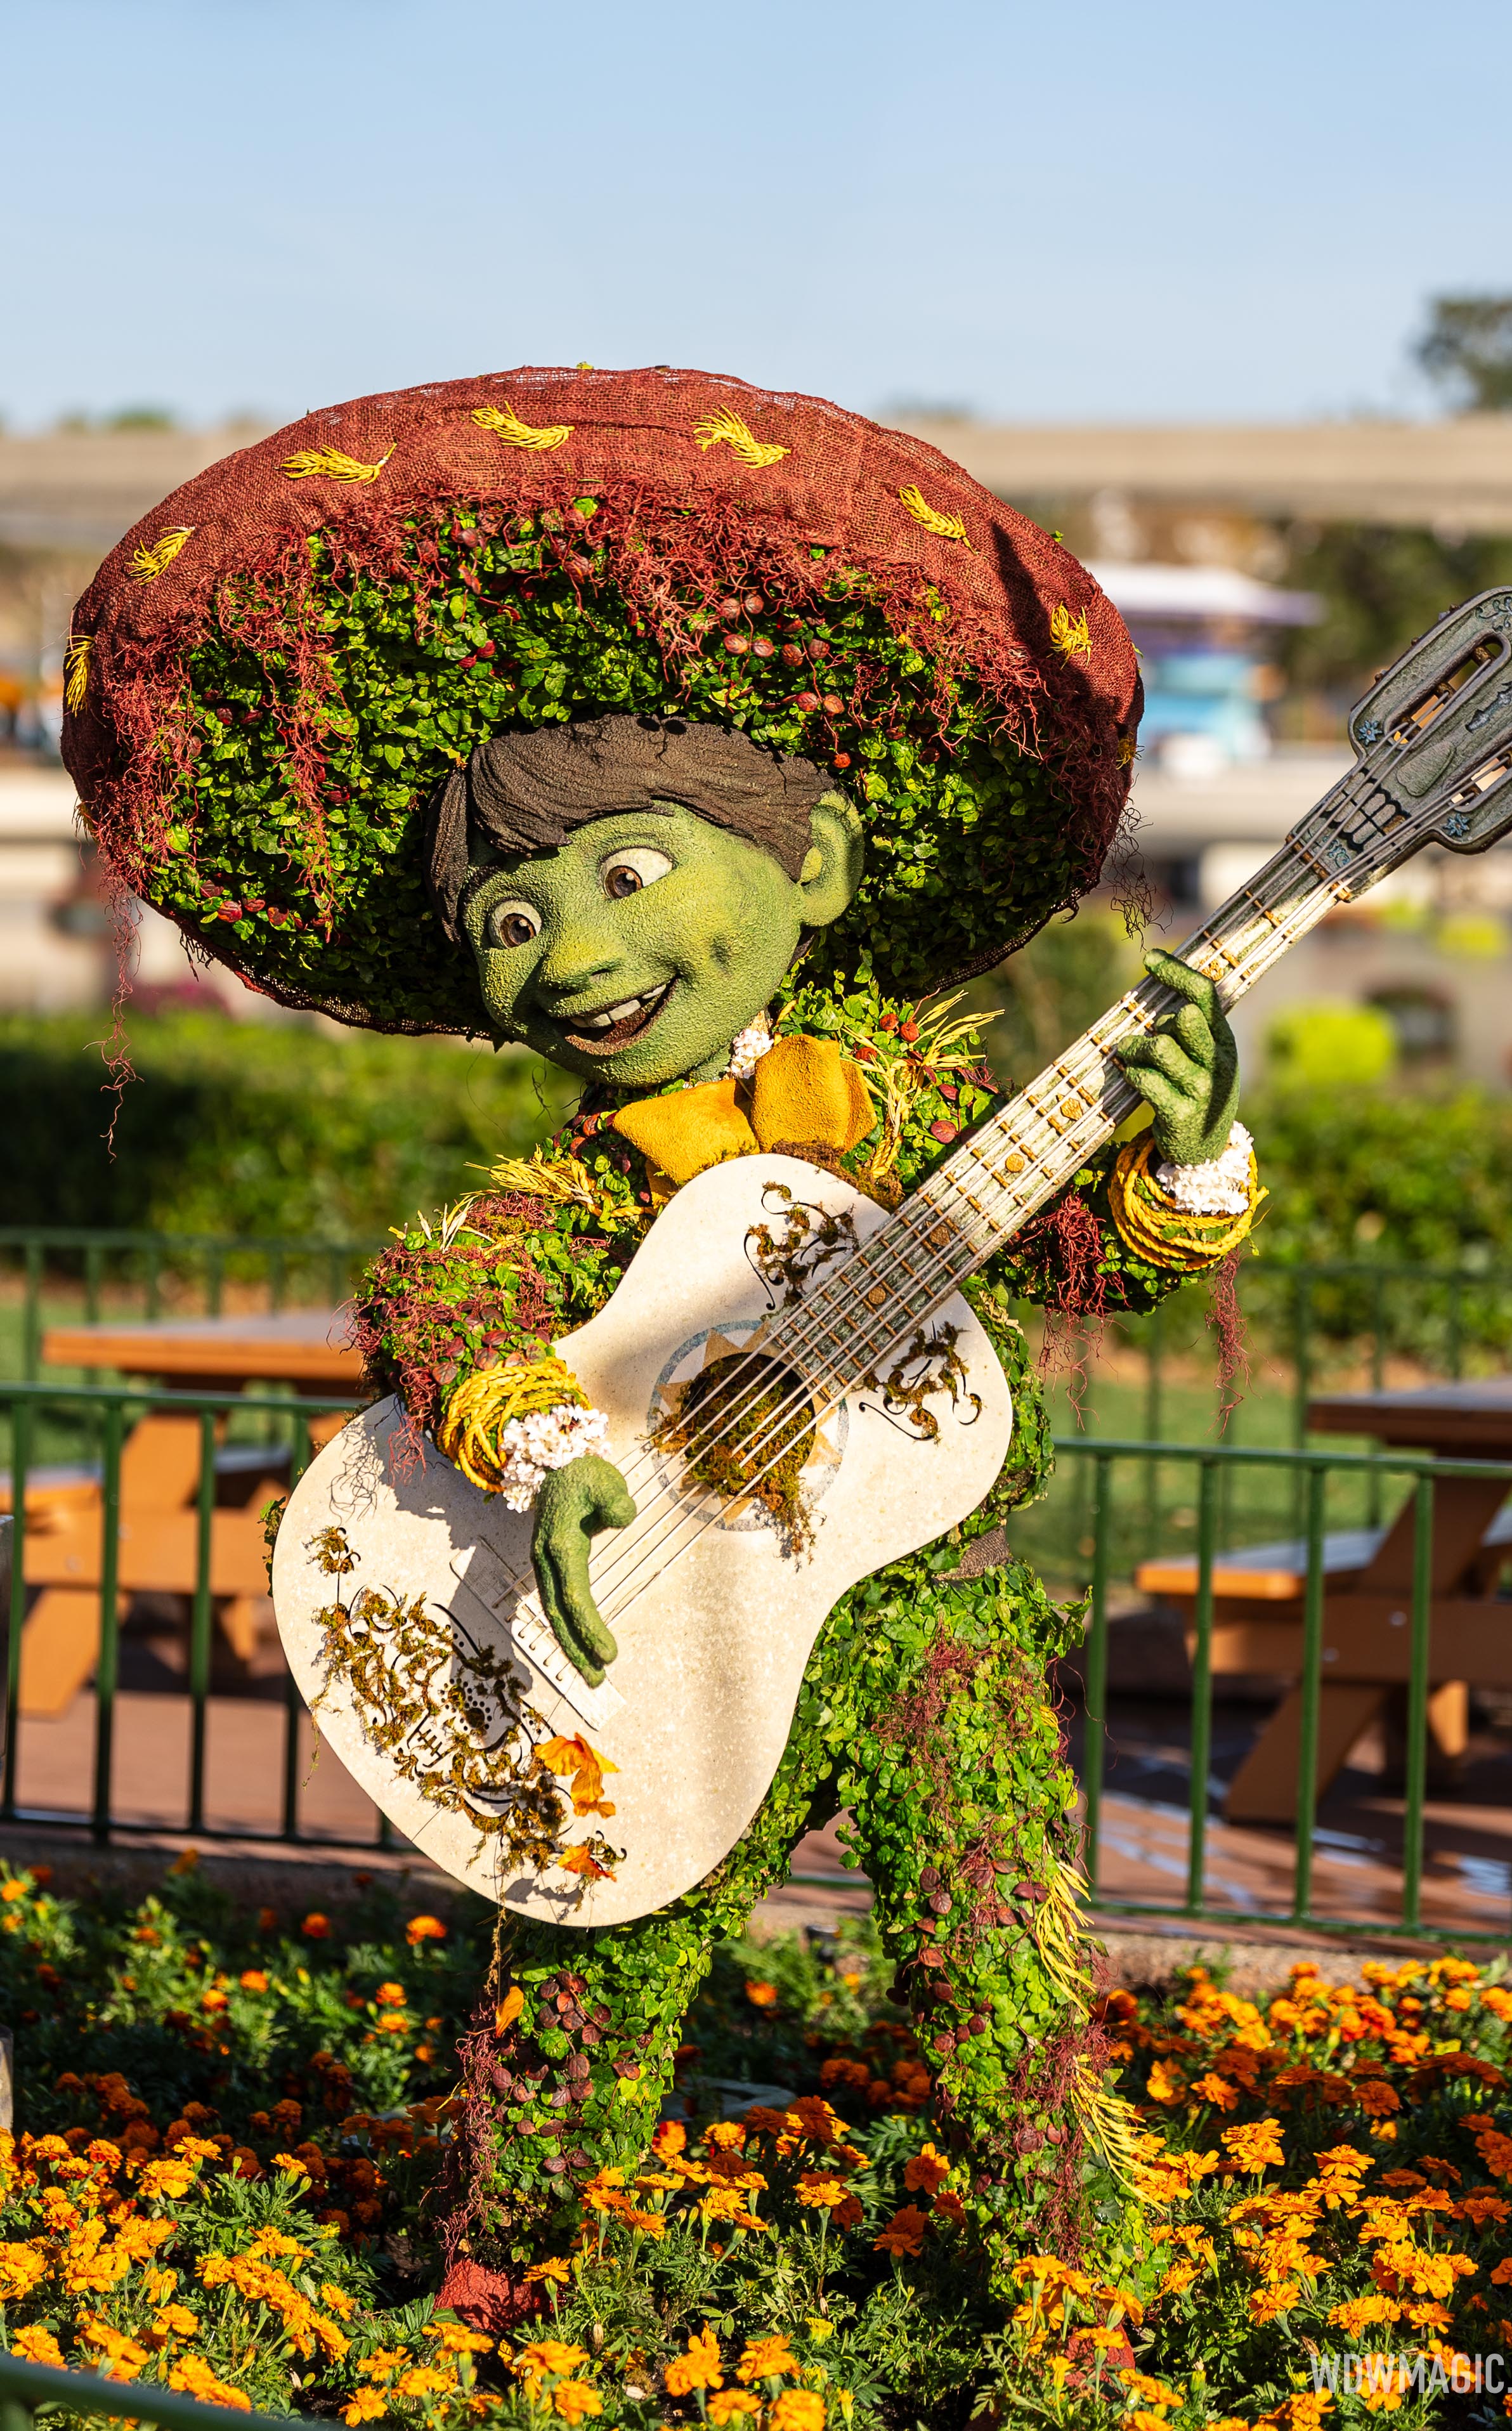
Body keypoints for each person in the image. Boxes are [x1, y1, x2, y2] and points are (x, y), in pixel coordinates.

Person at [60, 365, 1262, 2280]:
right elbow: (451, 1302)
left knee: (1002, 1960)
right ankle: (501, 2268)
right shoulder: (588, 1198)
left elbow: (1087, 1255)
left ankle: (1072, 2282)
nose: (584, 953)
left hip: (927, 1632)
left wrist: (1184, 1159)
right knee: (590, 1982)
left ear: (818, 869)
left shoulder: (905, 1128)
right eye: (515, 919)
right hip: (656, 1650)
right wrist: (554, 1453)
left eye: (627, 875)